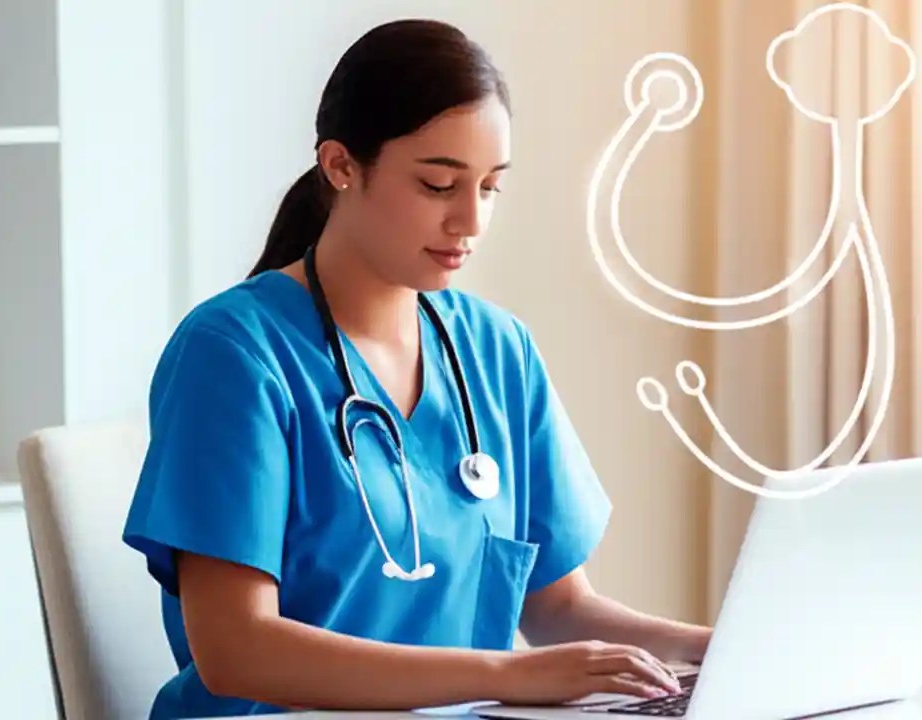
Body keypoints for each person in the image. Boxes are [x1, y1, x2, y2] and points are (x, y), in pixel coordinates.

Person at [122, 17, 712, 719]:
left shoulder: (498, 350)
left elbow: (557, 608)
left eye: (489, 188)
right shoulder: (235, 353)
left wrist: (719, 647)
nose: (471, 222)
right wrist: (507, 674)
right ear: (341, 166)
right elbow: (236, 650)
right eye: (438, 185)